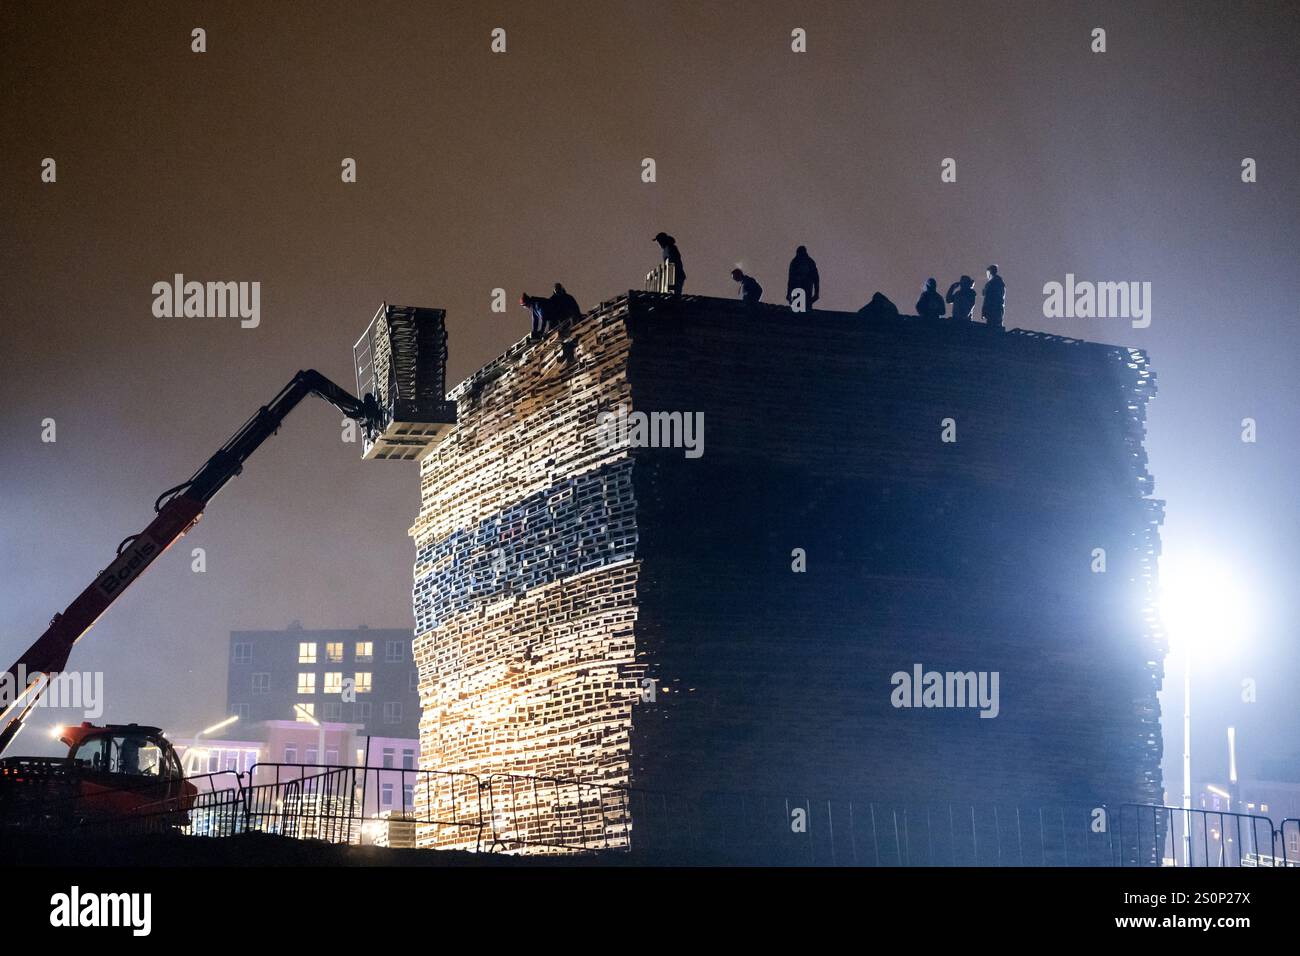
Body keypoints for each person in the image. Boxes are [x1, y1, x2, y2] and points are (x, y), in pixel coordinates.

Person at [786, 245, 820, 311]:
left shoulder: (809, 262)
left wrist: (816, 293)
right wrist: (789, 293)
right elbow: (790, 279)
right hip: (797, 290)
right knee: (799, 311)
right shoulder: (795, 262)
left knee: (804, 310)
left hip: (805, 289)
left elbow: (816, 279)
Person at [981, 264, 1006, 329]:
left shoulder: (991, 283)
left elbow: (987, 298)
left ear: (989, 272)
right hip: (998, 308)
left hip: (992, 308)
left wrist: (984, 310)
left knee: (992, 327)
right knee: (997, 326)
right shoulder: (1000, 282)